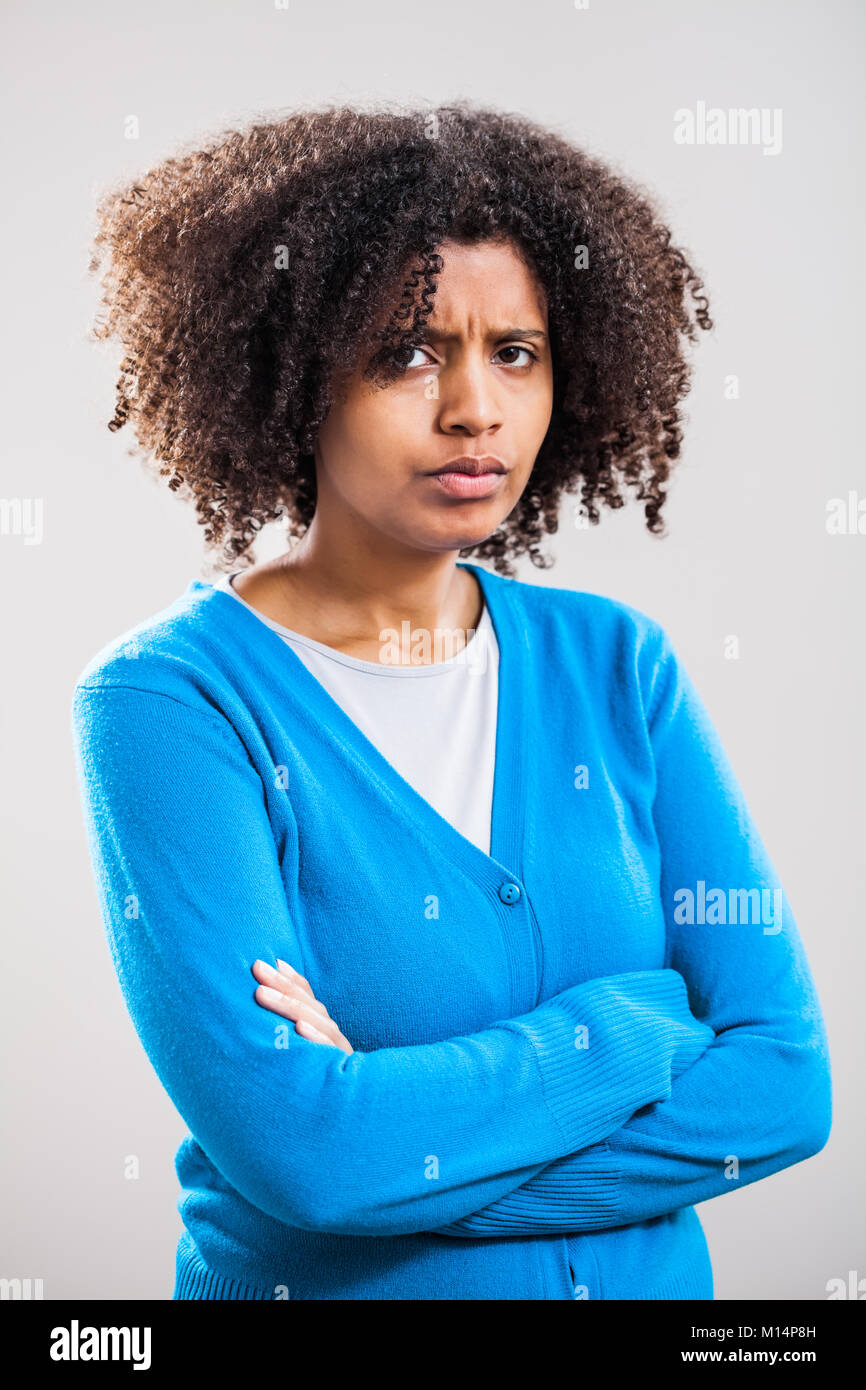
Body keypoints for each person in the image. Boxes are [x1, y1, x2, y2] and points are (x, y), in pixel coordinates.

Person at [71, 102, 831, 1300]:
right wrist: (630, 1029)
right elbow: (307, 1156)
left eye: (514, 352)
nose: (474, 407)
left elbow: (783, 1087)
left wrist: (390, 1143)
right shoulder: (174, 704)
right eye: (406, 353)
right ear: (290, 370)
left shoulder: (617, 666)